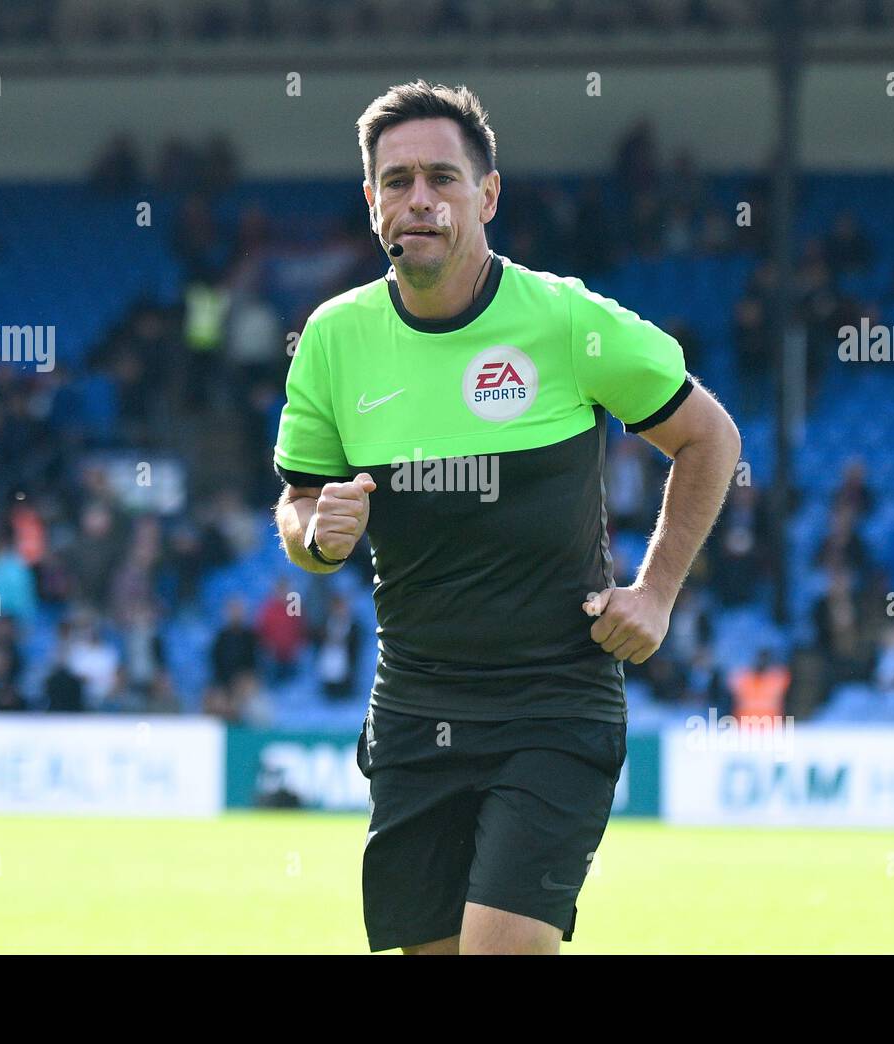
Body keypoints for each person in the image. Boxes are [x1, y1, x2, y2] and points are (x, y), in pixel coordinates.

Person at [272, 82, 741, 955]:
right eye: (397, 180)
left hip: (553, 701)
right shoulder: (333, 339)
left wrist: (658, 591)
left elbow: (709, 436)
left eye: (442, 178)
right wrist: (314, 535)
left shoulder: (566, 322)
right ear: (370, 200)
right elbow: (301, 511)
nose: (420, 198)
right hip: (415, 706)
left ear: (487, 196)